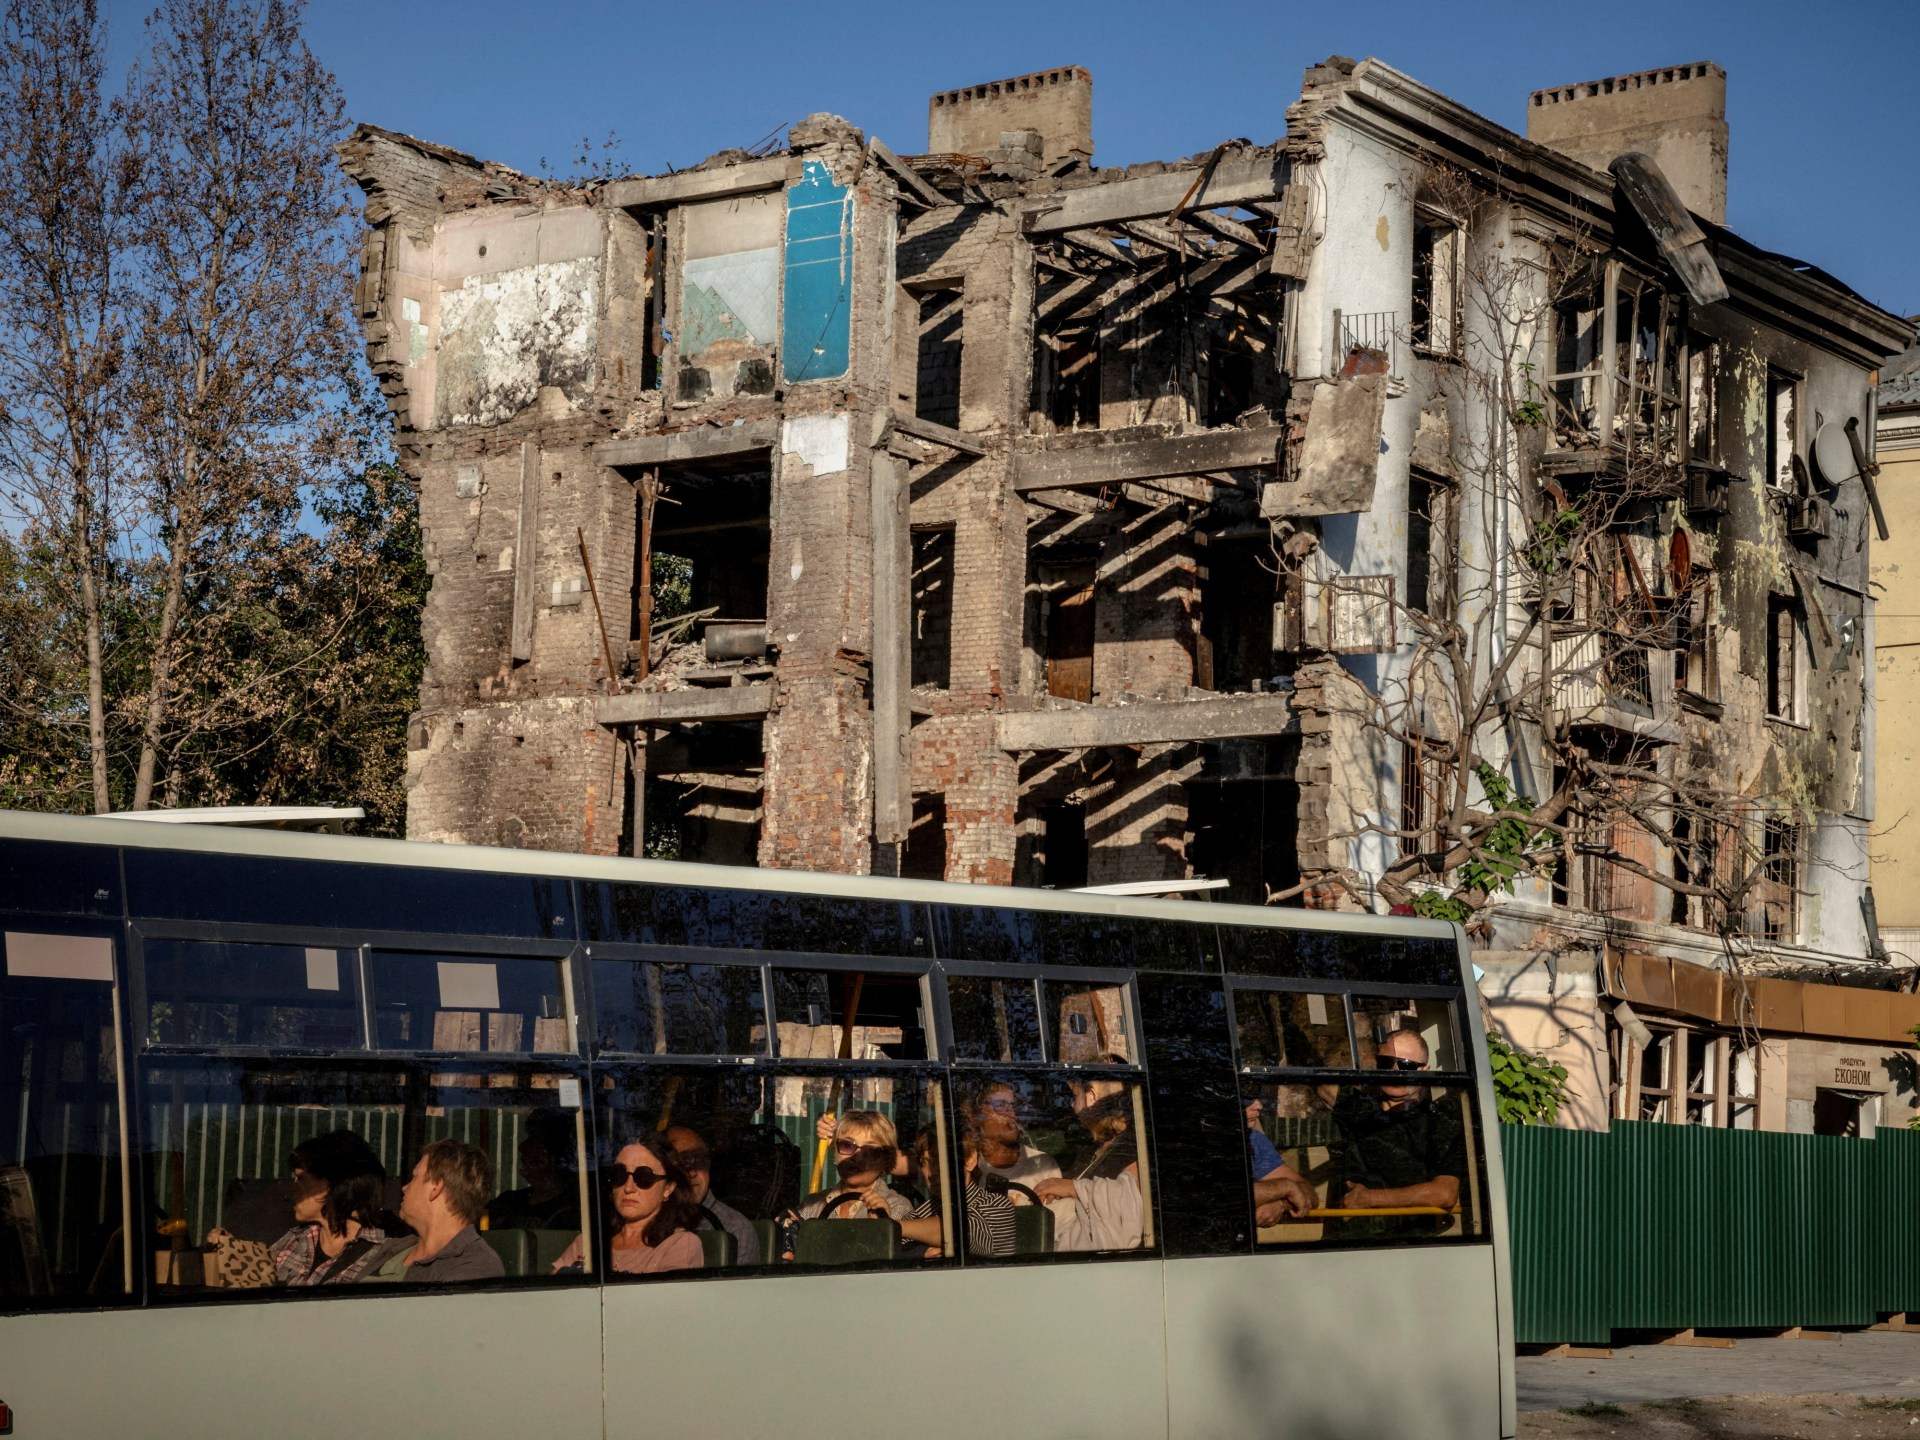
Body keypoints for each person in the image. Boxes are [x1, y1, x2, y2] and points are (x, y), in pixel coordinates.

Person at [1327, 1028, 1466, 1239]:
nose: (1394, 1070)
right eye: (1386, 1063)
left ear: (1424, 1071)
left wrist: (1370, 1199)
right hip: (1352, 1241)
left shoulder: (1440, 1122)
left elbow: (1445, 1193)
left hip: (1410, 1243)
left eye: (1405, 1065)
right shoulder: (1358, 1108)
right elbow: (1317, 1078)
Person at [550, 1132, 703, 1276]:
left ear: (668, 1188)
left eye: (644, 1176)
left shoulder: (680, 1244)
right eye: (620, 1175)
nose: (628, 1188)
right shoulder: (589, 1241)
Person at [266, 1129, 395, 1286]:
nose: (292, 1190)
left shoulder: (384, 1253)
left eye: (301, 1179)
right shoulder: (293, 1239)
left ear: (330, 1184)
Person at [372, 1139, 505, 1284]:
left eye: (415, 1177)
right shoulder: (395, 1248)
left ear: (436, 1187)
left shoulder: (475, 1267)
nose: (405, 1187)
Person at [1033, 1075, 1141, 1251]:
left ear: (1092, 1097)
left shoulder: (1130, 1150)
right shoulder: (1091, 1149)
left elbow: (1125, 1202)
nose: (1071, 1105)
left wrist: (1073, 1188)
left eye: (1075, 1096)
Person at [897, 1127, 1016, 1259]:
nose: (931, 1173)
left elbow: (960, 1231)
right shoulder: (925, 1209)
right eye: (925, 1163)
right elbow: (892, 1247)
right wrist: (920, 1251)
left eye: (940, 1160)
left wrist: (896, 1227)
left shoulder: (998, 1206)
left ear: (970, 1160)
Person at [791, 1110, 914, 1222]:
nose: (856, 1156)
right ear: (835, 1150)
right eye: (847, 1145)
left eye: (869, 1150)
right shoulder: (812, 1204)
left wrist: (880, 1226)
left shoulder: (896, 1206)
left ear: (886, 1161)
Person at [665, 1123, 760, 1264]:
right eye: (682, 1164)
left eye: (699, 1161)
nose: (692, 1172)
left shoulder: (734, 1229)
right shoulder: (644, 1223)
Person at [488, 1110, 581, 1232]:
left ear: (555, 1153)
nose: (521, 1147)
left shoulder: (575, 1211)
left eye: (534, 1139)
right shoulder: (507, 1202)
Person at [968, 1082, 1061, 1192]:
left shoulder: (1042, 1166)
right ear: (975, 1116)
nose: (1013, 1114)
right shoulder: (966, 1165)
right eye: (1000, 1105)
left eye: (1016, 1106)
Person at [1244, 1096, 1319, 1227]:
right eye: (1245, 1099)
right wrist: (1285, 1188)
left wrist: (1280, 1203)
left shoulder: (1254, 1141)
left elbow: (1310, 1197)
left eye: (1256, 1098)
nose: (1258, 1106)